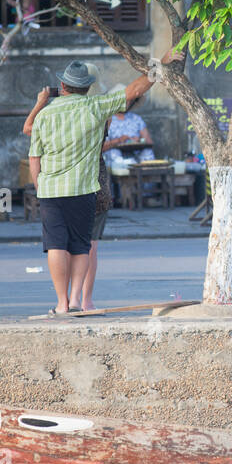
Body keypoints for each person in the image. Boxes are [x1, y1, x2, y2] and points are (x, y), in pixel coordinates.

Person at [29, 52, 178, 314]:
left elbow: (34, 156)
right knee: (80, 246)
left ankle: (61, 304)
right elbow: (134, 90)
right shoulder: (96, 107)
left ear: (62, 86)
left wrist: (39, 188)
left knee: (55, 245)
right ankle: (76, 301)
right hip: (84, 190)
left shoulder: (44, 115)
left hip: (50, 191)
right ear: (86, 87)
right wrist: (161, 63)